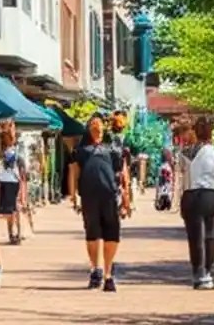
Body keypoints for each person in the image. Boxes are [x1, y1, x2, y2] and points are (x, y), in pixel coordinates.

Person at [69, 113, 129, 292]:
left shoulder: (107, 150)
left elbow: (123, 174)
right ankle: (102, 271)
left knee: (102, 233)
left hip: (101, 196)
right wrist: (74, 196)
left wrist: (126, 198)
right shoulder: (86, 151)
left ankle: (103, 272)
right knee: (99, 234)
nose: (98, 130)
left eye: (99, 127)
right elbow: (74, 173)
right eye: (96, 128)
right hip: (97, 196)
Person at [179, 115, 214, 289]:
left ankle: (198, 273)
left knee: (195, 237)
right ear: (211, 132)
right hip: (211, 195)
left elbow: (182, 173)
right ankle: (207, 272)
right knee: (210, 235)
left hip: (191, 195)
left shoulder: (185, 152)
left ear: (195, 131)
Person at [0, 120, 27, 244]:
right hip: (4, 181)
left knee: (16, 208)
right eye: (7, 136)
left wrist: (23, 186)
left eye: (11, 136)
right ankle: (11, 234)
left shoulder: (17, 151)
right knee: (9, 210)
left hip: (14, 181)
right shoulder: (0, 151)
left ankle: (18, 233)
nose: (9, 138)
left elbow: (23, 169)